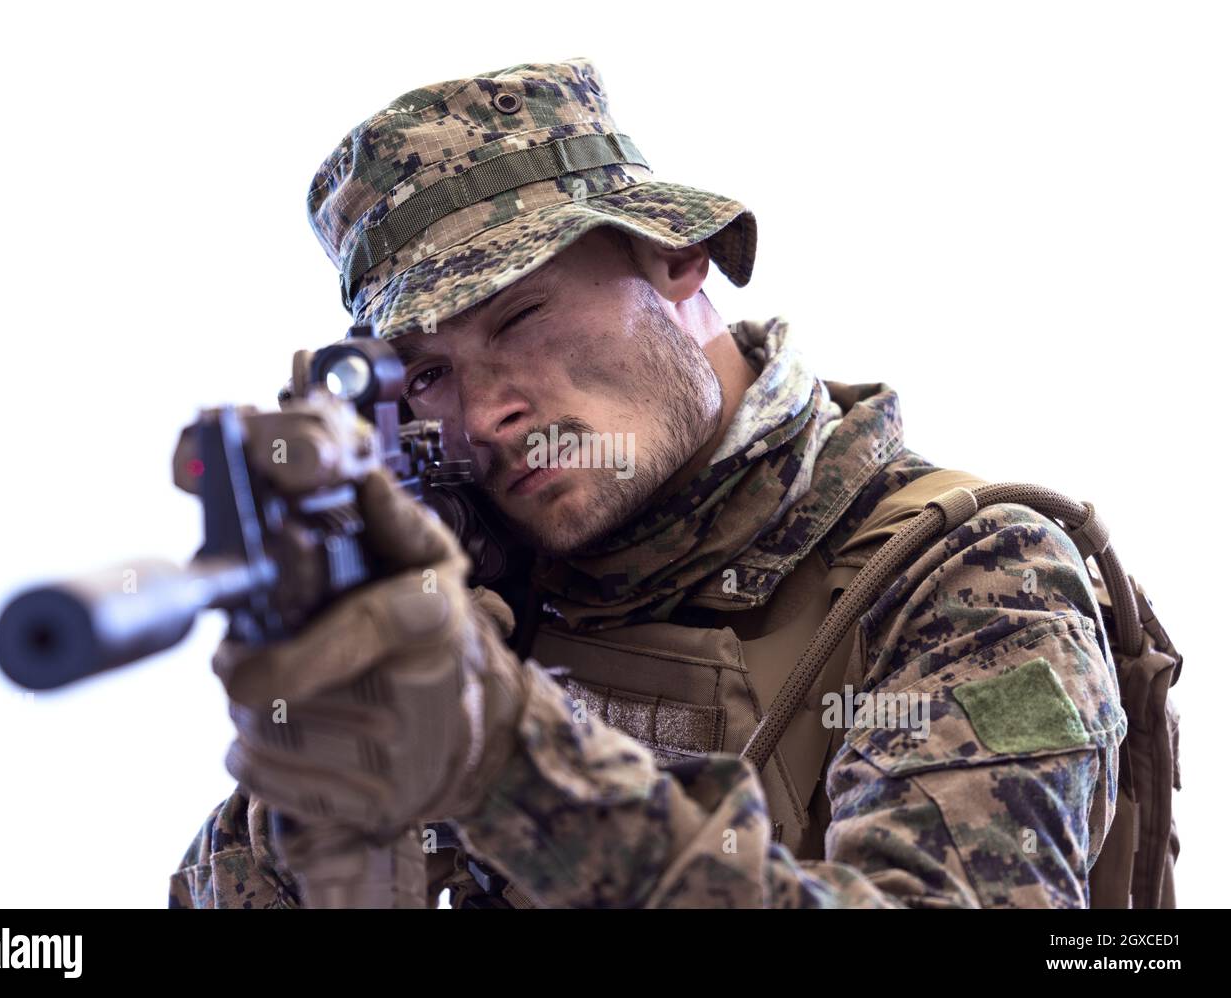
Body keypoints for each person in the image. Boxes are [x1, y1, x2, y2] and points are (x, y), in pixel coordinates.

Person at [168, 57, 1124, 909]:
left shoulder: (971, 576)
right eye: (428, 374)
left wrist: (501, 761)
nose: (487, 409)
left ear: (674, 256)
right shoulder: (488, 588)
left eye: (522, 317)